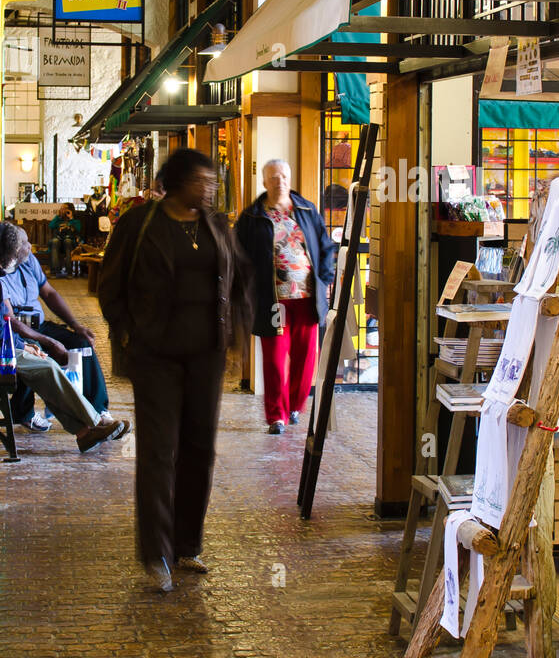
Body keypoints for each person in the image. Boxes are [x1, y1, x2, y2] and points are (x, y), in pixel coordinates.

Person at [98, 148, 251, 593]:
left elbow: (239, 277)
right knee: (159, 453)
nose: (209, 189)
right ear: (179, 181)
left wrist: (236, 331)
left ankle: (187, 544)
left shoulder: (217, 226)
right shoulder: (140, 224)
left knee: (200, 447)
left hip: (206, 355)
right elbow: (111, 285)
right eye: (202, 181)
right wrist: (126, 333)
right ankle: (156, 553)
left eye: (212, 182)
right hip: (155, 356)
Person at [236, 159, 336, 435]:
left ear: (290, 179)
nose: (279, 181)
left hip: (306, 297)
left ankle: (294, 405)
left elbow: (326, 246)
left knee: (306, 358)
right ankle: (275, 416)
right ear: (264, 182)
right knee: (275, 358)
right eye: (273, 177)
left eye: (284, 176)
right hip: (273, 300)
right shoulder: (252, 217)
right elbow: (237, 256)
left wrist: (325, 279)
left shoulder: (306, 210)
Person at [0, 222, 117, 432]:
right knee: (37, 352)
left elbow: (49, 293)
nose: (30, 247)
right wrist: (43, 342)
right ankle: (25, 413)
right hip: (18, 331)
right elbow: (9, 323)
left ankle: (98, 409)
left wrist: (75, 325)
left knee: (81, 343)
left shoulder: (28, 262)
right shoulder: (2, 272)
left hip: (38, 324)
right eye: (25, 244)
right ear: (13, 252)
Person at [48, 203, 82, 277]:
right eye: (62, 208)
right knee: (55, 241)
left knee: (68, 241)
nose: (64, 210)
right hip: (58, 242)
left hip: (69, 243)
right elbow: (51, 226)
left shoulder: (75, 221)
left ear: (71, 210)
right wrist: (58, 216)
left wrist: (71, 218)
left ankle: (69, 271)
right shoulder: (58, 219)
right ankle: (54, 271)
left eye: (66, 208)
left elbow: (78, 229)